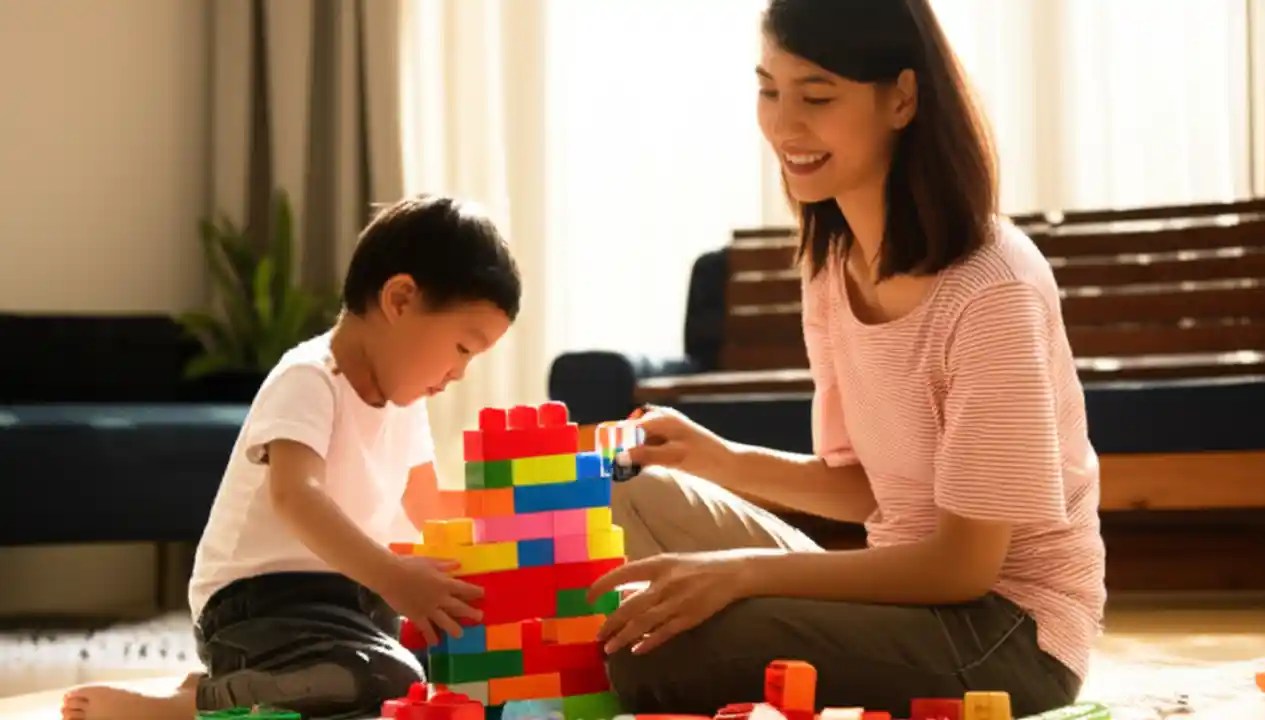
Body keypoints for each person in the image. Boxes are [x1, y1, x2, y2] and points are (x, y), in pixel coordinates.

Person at [589, 0, 1106, 717]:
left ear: (901, 97)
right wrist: (711, 457)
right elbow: (870, 491)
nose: (783, 124)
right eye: (770, 89)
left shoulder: (993, 290)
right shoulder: (833, 261)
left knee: (664, 650)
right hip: (908, 594)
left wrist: (741, 573)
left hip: (1005, 634)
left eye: (817, 96)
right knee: (622, 489)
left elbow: (964, 567)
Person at [63, 195, 522, 720]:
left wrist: (513, 548)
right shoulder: (309, 378)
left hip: (356, 603)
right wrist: (394, 576)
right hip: (256, 602)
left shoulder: (406, 406)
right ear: (400, 300)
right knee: (384, 678)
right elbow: (294, 495)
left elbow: (434, 512)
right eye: (463, 348)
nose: (460, 373)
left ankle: (258, 683)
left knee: (446, 668)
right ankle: (194, 704)